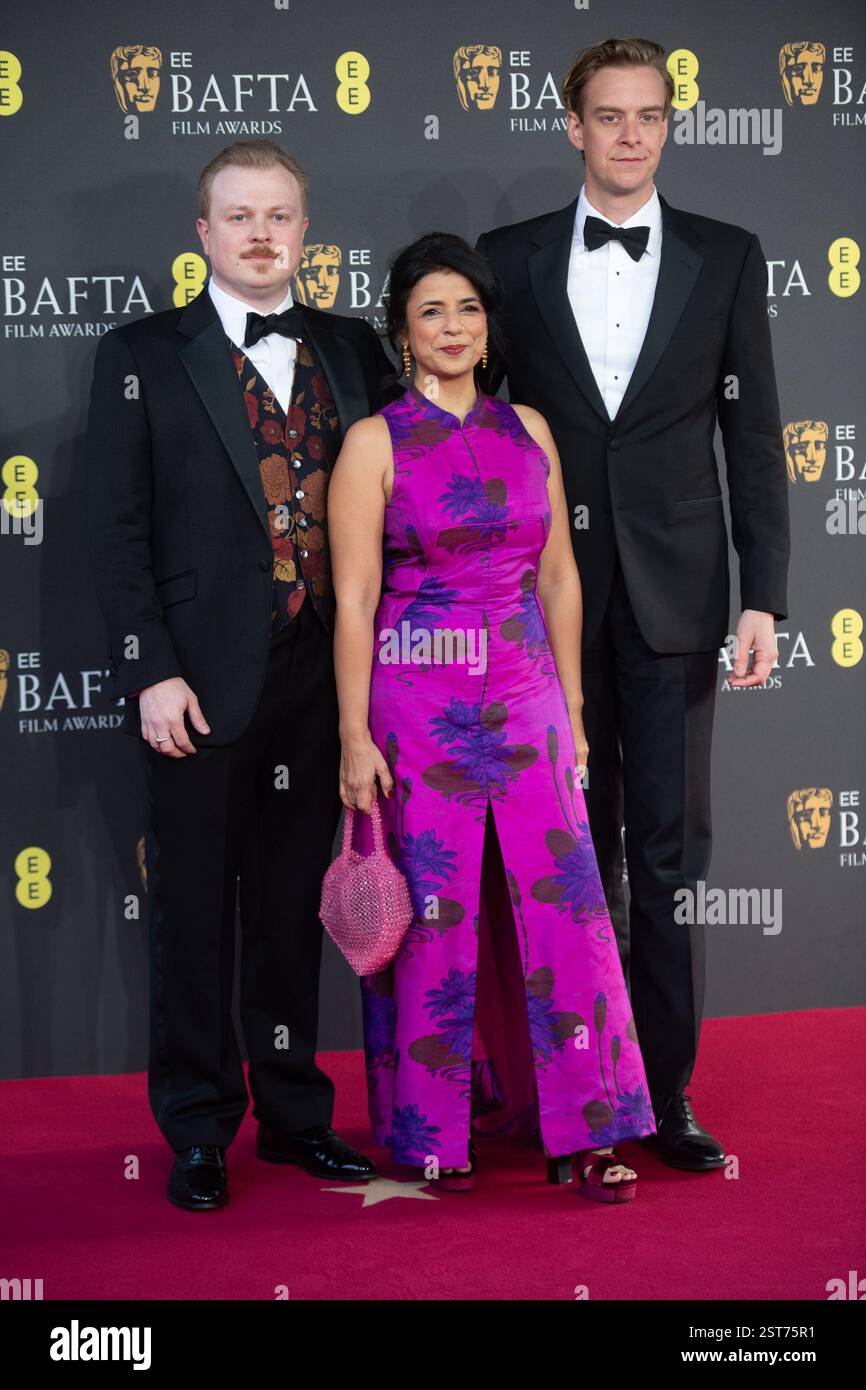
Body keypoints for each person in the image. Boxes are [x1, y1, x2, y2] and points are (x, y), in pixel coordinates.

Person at [475, 38, 790, 1169]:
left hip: (675, 599)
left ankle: (664, 1099)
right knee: (554, 857)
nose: (628, 135)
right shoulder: (504, 262)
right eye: (607, 116)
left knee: (659, 858)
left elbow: (751, 442)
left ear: (669, 126)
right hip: (534, 606)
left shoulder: (724, 255)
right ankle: (563, 1100)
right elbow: (475, 432)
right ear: (570, 126)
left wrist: (765, 599)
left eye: (648, 117)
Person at [85, 139, 392, 1210]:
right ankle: (200, 1128)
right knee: (194, 916)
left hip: (324, 675)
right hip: (201, 680)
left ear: (304, 232)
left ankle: (295, 1114)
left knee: (288, 906)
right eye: (239, 215)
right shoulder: (139, 354)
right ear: (203, 234)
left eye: (280, 215)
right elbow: (114, 532)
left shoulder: (356, 351)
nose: (261, 232)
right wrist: (152, 672)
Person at [327, 232, 657, 1201]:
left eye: (466, 309)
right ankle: (432, 1135)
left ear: (486, 324)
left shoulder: (531, 432)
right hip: (416, 702)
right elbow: (352, 601)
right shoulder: (371, 443)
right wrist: (353, 737)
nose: (452, 327)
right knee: (435, 915)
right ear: (401, 329)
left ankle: (585, 1127)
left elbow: (556, 574)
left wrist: (574, 707)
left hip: (525, 698)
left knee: (566, 913)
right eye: (431, 310)